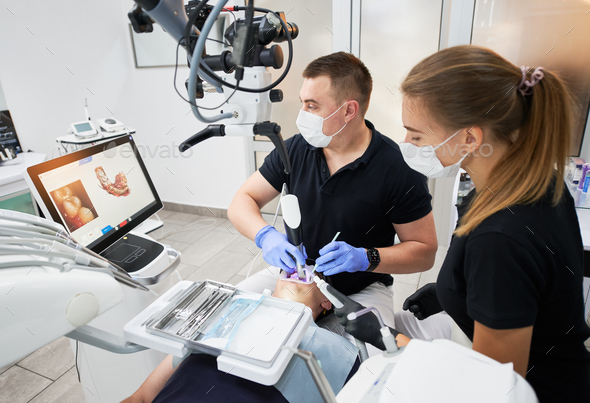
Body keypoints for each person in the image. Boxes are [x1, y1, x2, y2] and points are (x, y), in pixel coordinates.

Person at [337, 45, 590, 402]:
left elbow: (491, 385)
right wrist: (449, 293)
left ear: (470, 138)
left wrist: (398, 344)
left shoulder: (502, 239)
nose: (405, 143)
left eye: (417, 135)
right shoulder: (521, 179)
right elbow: (522, 289)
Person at [229, 52, 438, 344]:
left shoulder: (398, 169)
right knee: (227, 318)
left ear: (349, 110)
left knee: (368, 369)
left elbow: (425, 251)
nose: (302, 113)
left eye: (312, 105)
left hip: (363, 287)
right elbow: (242, 201)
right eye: (303, 102)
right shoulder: (296, 149)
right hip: (297, 273)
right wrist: (266, 236)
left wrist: (365, 258)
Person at [121, 273, 410, 403]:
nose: (296, 269)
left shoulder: (340, 353)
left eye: (311, 274)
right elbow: (141, 397)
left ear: (326, 304)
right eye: (289, 269)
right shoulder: (220, 317)